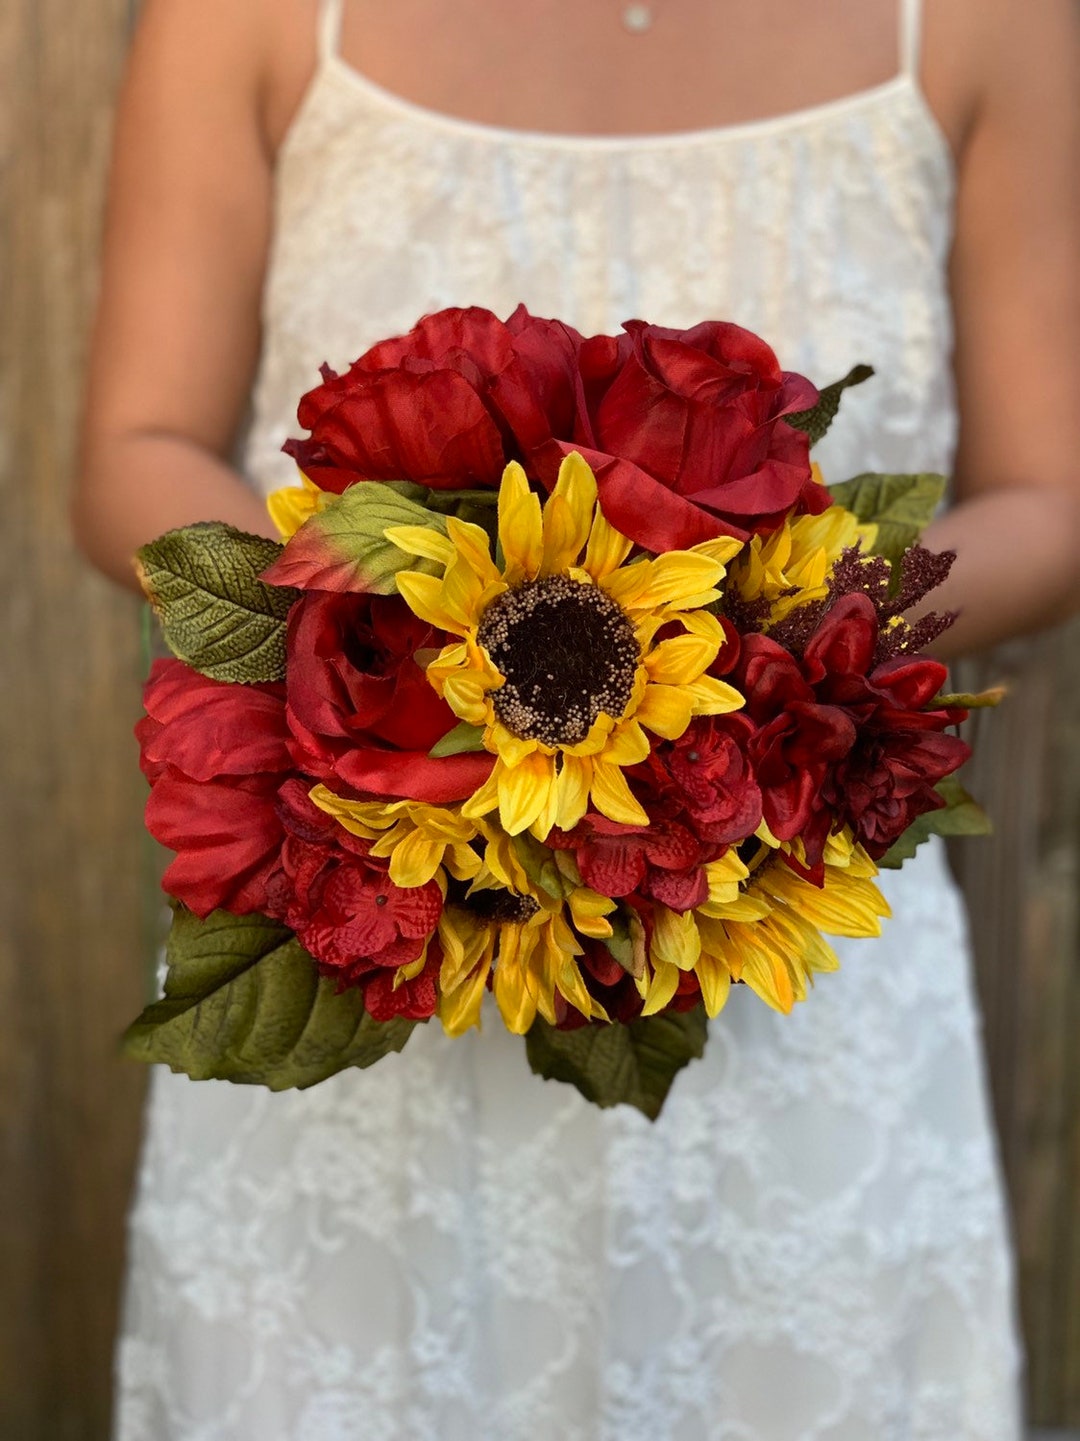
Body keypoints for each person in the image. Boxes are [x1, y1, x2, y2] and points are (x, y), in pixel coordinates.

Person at [75, 1, 1080, 1436]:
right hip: (377, 945)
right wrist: (404, 655)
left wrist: (776, 647)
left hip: (789, 953)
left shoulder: (991, 23)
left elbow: (1053, 498)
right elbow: (134, 449)